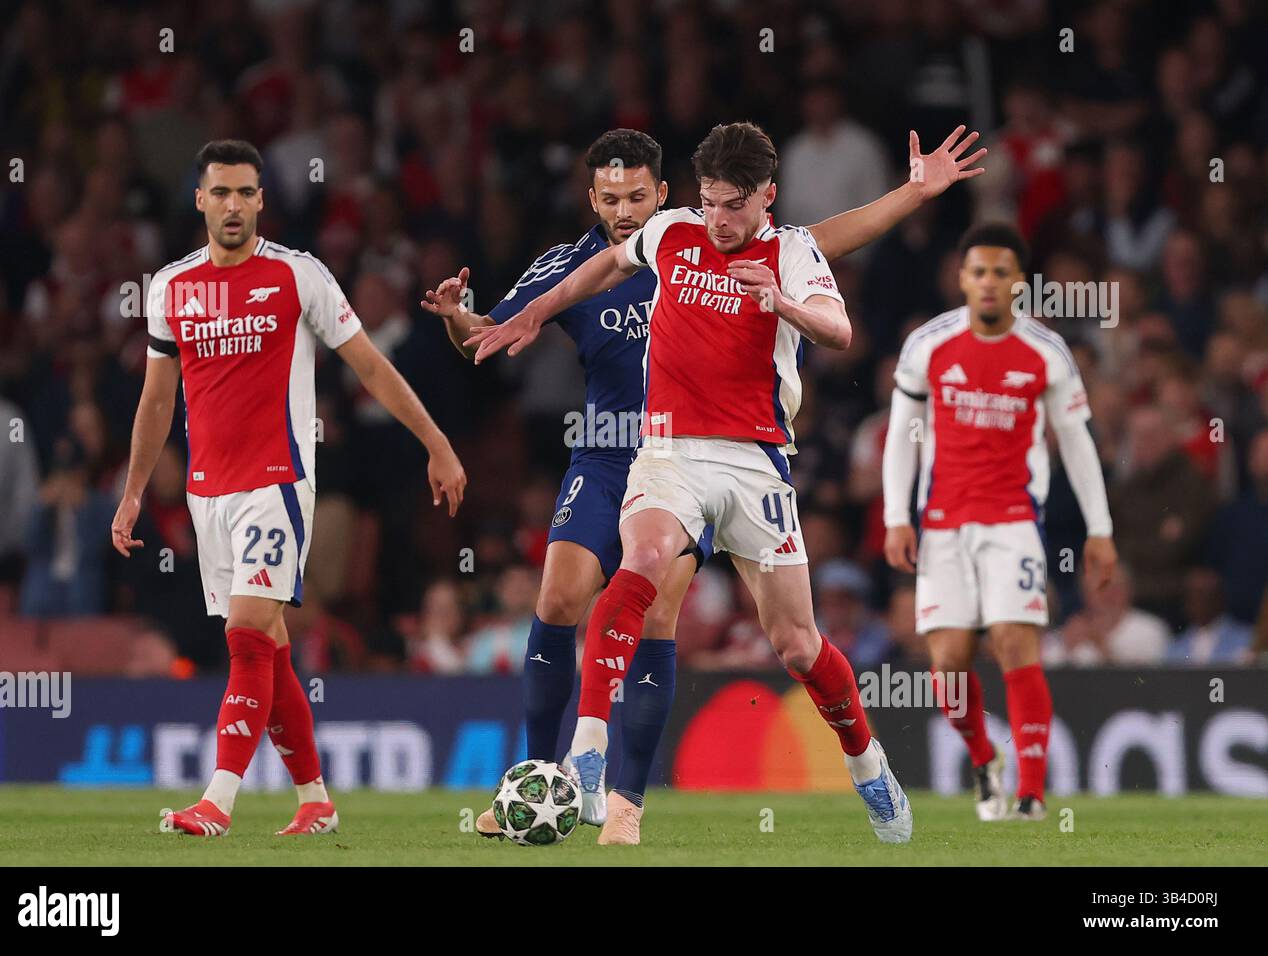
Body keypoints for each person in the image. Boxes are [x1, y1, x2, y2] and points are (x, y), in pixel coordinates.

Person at [427, 125, 984, 844]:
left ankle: (868, 763)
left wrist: (784, 298)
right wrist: (531, 312)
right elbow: (592, 274)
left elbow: (839, 329)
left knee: (796, 644)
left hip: (756, 462)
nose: (718, 219)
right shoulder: (671, 233)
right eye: (711, 203)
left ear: (766, 199)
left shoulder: (790, 251)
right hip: (664, 452)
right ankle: (586, 756)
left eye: (732, 206)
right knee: (635, 565)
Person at [110, 140, 466, 837]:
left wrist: (438, 442)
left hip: (277, 483)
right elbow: (156, 403)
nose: (234, 205)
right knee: (267, 643)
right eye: (221, 193)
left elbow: (370, 366)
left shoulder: (299, 276)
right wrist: (132, 494)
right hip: (207, 493)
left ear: (262, 199)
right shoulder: (170, 287)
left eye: (246, 193)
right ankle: (315, 800)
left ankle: (217, 800)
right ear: (199, 199)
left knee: (245, 632)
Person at [881, 223, 1118, 822]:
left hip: (1014, 517)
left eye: (1001, 272)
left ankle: (1033, 792)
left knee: (1015, 642)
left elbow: (1079, 443)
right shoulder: (928, 346)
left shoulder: (1046, 352)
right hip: (942, 521)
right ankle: (986, 759)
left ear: (1019, 282)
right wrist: (896, 516)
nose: (989, 282)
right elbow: (902, 441)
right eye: (978, 271)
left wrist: (1100, 528)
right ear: (962, 278)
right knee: (949, 664)